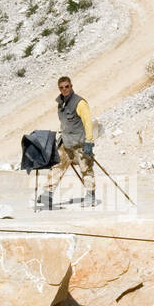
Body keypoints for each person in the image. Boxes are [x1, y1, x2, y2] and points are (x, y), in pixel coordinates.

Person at [40, 76, 96, 209]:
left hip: (79, 143)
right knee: (57, 166)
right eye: (61, 87)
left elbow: (88, 122)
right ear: (59, 89)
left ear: (71, 86)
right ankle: (47, 194)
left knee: (86, 168)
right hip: (65, 142)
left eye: (67, 86)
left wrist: (89, 141)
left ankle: (90, 195)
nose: (64, 89)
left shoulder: (80, 103)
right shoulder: (61, 103)